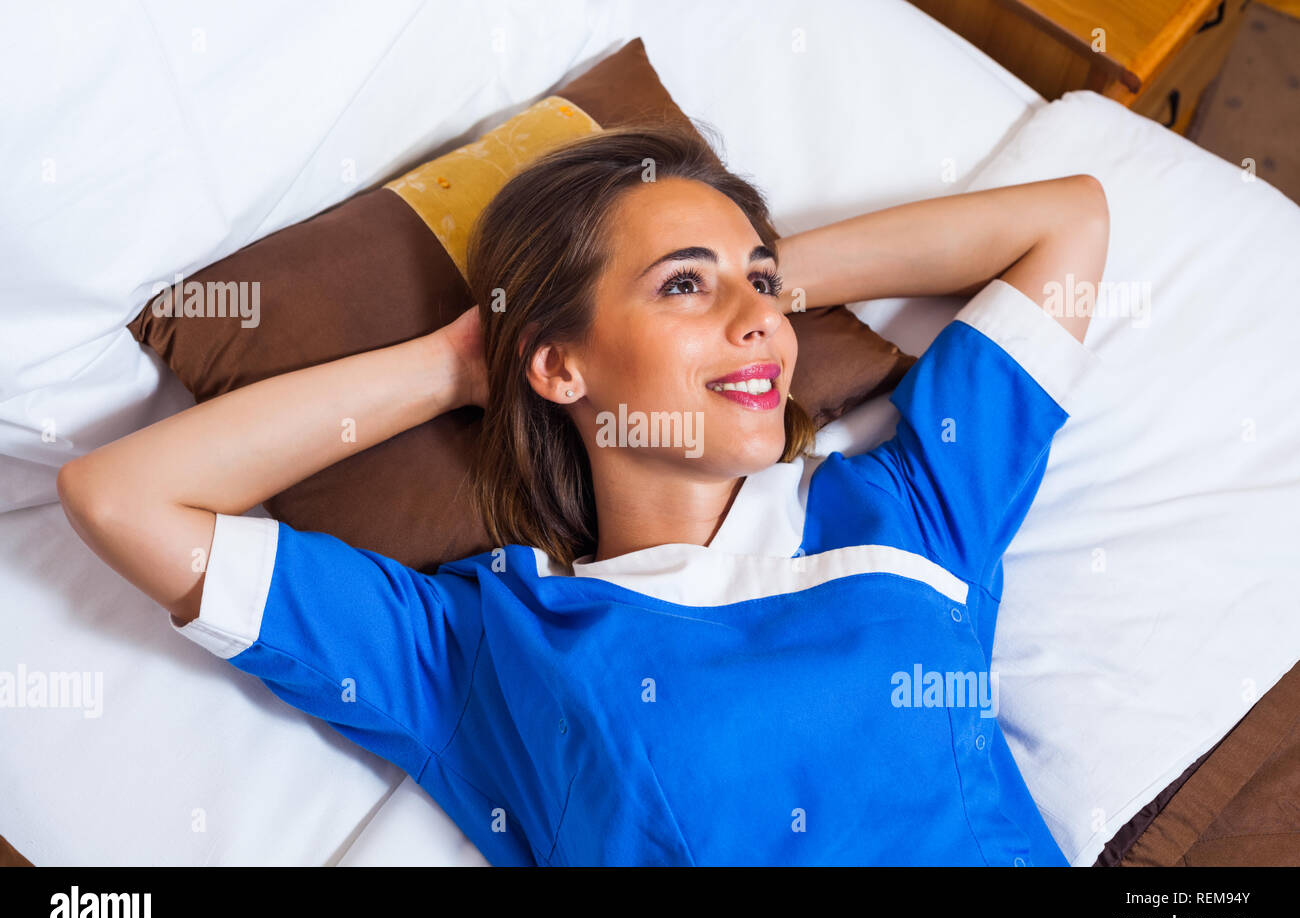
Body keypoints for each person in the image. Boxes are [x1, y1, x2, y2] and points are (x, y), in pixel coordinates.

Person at [57, 123, 1108, 866]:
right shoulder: (486, 647)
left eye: (764, 279)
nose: (760, 317)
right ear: (560, 367)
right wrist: (456, 364)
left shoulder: (909, 510)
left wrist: (766, 282)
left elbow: (1068, 222)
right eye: (683, 284)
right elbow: (120, 495)